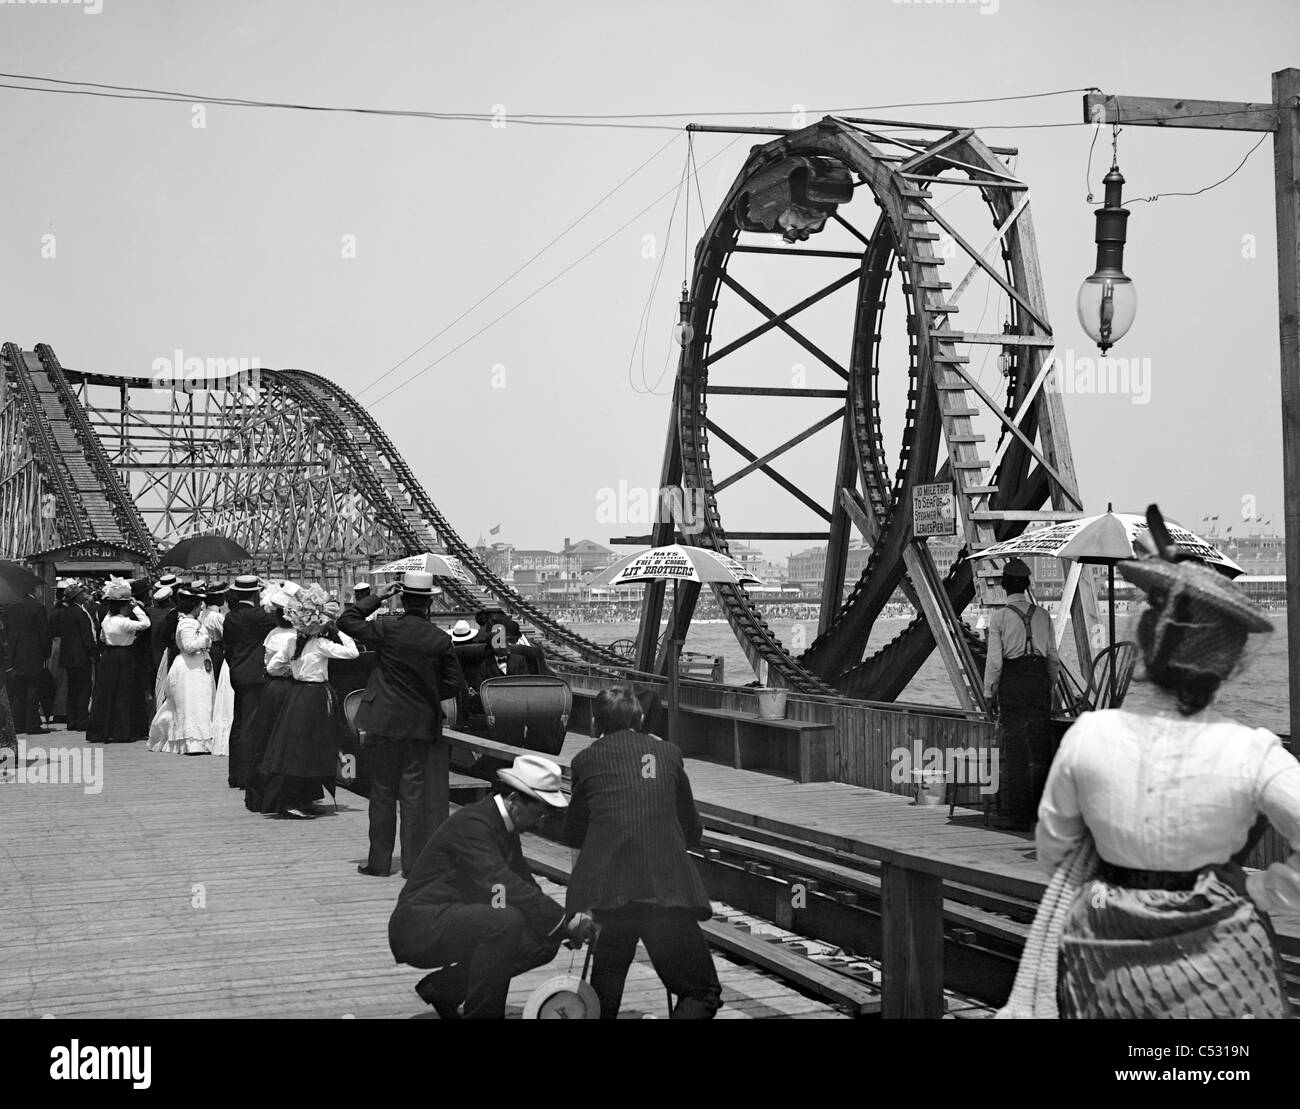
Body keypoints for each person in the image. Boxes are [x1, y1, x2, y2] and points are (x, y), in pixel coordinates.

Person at [1031, 518, 1300, 1019]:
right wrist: (1265, 890)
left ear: (1147, 646)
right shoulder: (1251, 751)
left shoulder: (1089, 737)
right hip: (1225, 968)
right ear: (1230, 664)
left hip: (1107, 966)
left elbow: (1053, 852)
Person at [388, 754, 595, 1019]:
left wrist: (563, 926)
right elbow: (500, 883)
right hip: (418, 926)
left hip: (456, 918)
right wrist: (563, 919)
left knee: (542, 940)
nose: (539, 822)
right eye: (538, 812)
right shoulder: (474, 824)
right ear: (514, 799)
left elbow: (525, 885)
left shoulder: (502, 826)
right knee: (506, 921)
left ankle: (445, 989)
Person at [565, 686, 722, 1019]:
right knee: (702, 992)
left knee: (604, 993)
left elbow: (575, 834)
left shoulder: (585, 761)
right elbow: (692, 827)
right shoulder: (667, 754)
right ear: (639, 719)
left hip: (612, 892)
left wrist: (579, 906)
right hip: (664, 890)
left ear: (596, 724)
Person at [339, 572, 468, 878]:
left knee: (382, 792)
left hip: (382, 723)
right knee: (413, 796)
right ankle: (412, 864)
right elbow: (455, 684)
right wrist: (429, 692)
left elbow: (346, 621)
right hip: (420, 725)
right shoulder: (440, 639)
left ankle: (379, 862)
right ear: (429, 603)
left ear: (403, 599)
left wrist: (378, 596)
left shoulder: (387, 628)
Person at [253, 586, 358, 819]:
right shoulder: (320, 645)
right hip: (316, 697)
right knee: (311, 749)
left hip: (296, 695)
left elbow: (272, 667)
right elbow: (353, 653)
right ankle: (301, 799)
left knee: (295, 749)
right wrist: (338, 630)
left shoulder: (292, 642)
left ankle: (296, 798)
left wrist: (292, 670)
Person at [981, 557, 1058, 830]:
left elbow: (994, 662)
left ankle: (1019, 815)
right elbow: (1053, 658)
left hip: (1013, 682)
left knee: (1016, 749)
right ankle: (1042, 814)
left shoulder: (999, 618)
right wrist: (1051, 687)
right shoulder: (1044, 616)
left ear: (1004, 586)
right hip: (1038, 681)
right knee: (1040, 749)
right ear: (1026, 585)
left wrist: (989, 693)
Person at [243, 584, 300, 812]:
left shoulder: (272, 635)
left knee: (266, 739)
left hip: (271, 689)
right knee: (290, 742)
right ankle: (289, 796)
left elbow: (267, 663)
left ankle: (261, 794)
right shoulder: (297, 637)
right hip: (293, 689)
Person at [222, 575, 277, 789]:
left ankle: (235, 773)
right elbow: (285, 615)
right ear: (255, 593)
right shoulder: (258, 616)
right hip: (255, 673)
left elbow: (229, 647)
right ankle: (247, 775)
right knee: (251, 726)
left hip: (238, 671)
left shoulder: (230, 617)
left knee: (239, 722)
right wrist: (271, 591)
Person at [148, 584, 215, 755]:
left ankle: (202, 740)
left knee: (201, 701)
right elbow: (187, 646)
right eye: (200, 604)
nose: (202, 607)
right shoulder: (186, 623)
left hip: (198, 666)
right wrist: (205, 640)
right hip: (189, 667)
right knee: (191, 702)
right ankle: (191, 741)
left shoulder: (193, 622)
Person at [86, 578, 152, 744]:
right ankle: (123, 730)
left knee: (105, 693)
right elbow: (146, 623)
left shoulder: (107, 620)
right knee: (125, 693)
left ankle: (100, 730)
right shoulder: (124, 622)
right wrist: (136, 607)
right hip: (125, 656)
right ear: (123, 606)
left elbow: (101, 637)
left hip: (109, 656)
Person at [6, 587, 52, 735]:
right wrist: (46, 653)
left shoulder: (11, 607)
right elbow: (44, 633)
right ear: (34, 591)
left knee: (18, 690)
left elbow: (7, 630)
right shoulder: (37, 607)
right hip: (33, 652)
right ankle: (32, 723)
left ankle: (18, 724)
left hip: (15, 652)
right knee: (33, 688)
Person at [57, 586, 97, 733]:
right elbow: (86, 636)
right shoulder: (80, 613)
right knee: (84, 689)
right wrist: (93, 653)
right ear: (77, 597)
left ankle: (71, 720)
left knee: (72, 689)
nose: (85, 595)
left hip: (69, 657)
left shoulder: (66, 612)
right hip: (81, 657)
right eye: (82, 593)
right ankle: (82, 720)